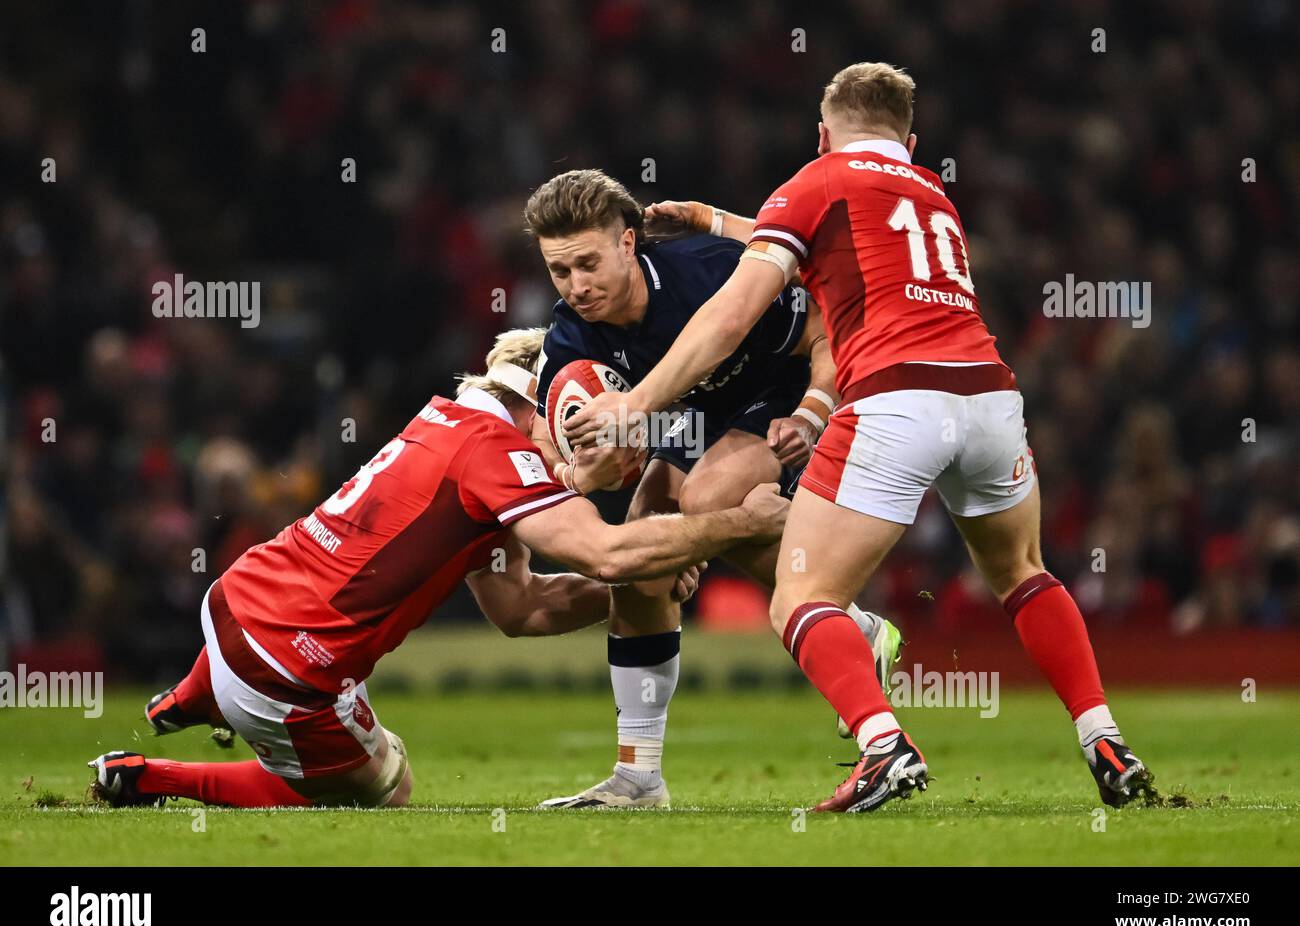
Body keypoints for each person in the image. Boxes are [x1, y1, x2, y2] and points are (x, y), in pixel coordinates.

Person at [568, 62, 1155, 813]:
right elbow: (835, 257)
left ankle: (883, 746)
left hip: (894, 400)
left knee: (802, 596)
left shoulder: (814, 181)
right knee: (1023, 572)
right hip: (988, 396)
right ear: (911, 140)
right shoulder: (930, 195)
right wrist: (720, 222)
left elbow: (729, 315)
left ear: (823, 135)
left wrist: (636, 401)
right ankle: (1103, 736)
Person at [87, 329, 787, 808]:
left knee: (278, 652)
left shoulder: (447, 423)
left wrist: (625, 595)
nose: (598, 439)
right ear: (542, 401)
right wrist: (727, 529)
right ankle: (152, 779)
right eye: (583, 417)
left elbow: (519, 608)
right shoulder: (497, 453)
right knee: (390, 783)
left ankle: (187, 697)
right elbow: (603, 551)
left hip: (235, 603)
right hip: (287, 670)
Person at [520, 170, 902, 809]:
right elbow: (546, 431)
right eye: (560, 273)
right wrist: (580, 467)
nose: (577, 286)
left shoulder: (710, 271)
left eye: (588, 264)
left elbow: (827, 327)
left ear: (629, 243)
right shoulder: (570, 334)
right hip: (695, 419)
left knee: (702, 503)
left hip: (780, 398)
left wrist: (811, 410)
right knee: (642, 556)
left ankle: (840, 610)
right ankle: (639, 778)